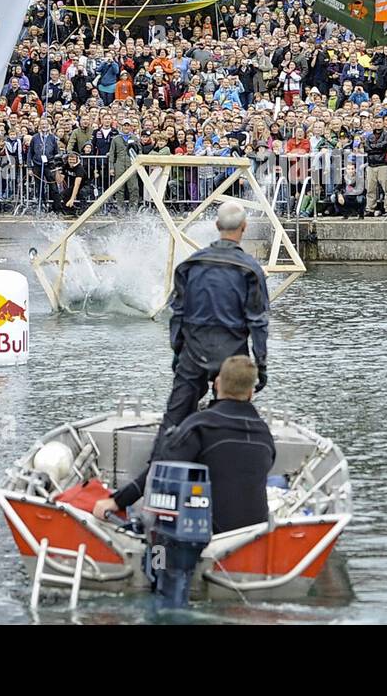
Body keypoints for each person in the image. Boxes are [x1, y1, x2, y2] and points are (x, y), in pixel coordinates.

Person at [101, 202, 270, 513]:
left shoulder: (189, 265)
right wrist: (260, 367)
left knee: (173, 422)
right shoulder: (250, 270)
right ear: (243, 229)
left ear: (217, 227)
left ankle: (142, 492)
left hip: (193, 353)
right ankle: (228, 493)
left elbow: (177, 316)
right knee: (231, 422)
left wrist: (178, 355)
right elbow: (258, 322)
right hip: (231, 360)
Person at [94, 356, 275, 533]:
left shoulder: (198, 425)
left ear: (217, 384)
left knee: (144, 514)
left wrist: (117, 501)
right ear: (251, 393)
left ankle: (157, 560)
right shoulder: (264, 433)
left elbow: (159, 472)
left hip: (209, 536)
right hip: (255, 535)